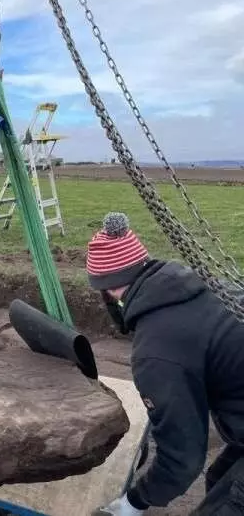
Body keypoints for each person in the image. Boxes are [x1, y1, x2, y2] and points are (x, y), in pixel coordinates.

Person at [87, 212, 244, 516]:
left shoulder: (156, 351)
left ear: (107, 291)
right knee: (219, 478)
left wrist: (133, 503)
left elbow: (182, 456)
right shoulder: (204, 286)